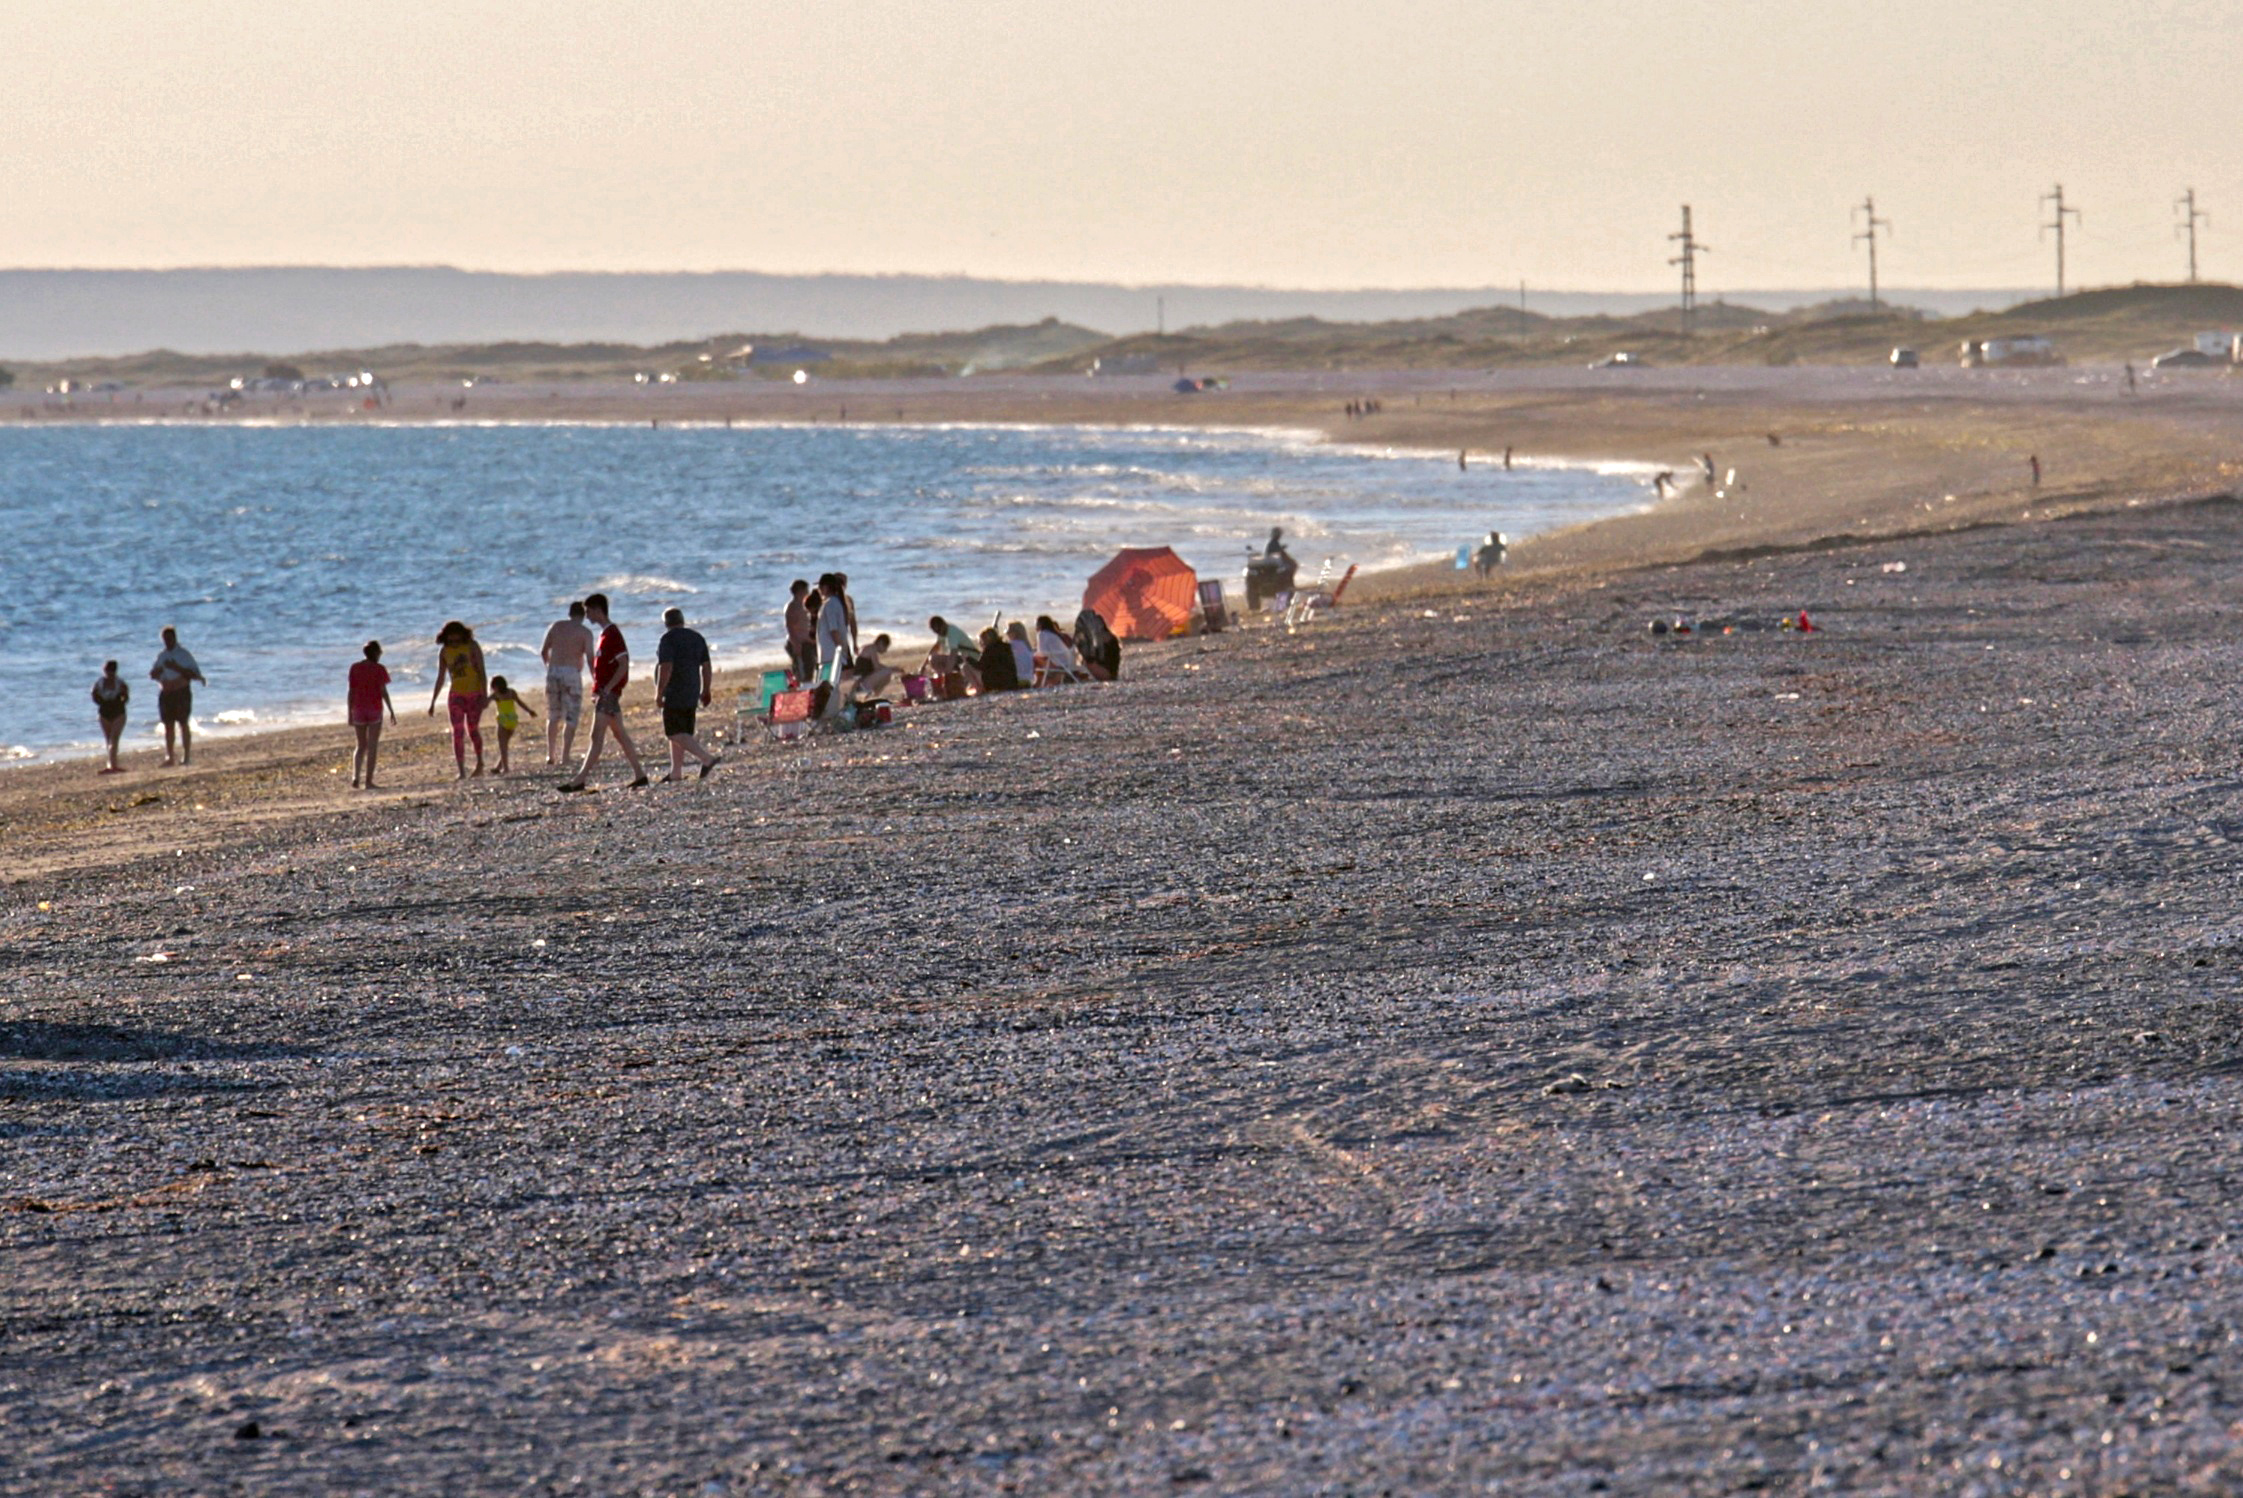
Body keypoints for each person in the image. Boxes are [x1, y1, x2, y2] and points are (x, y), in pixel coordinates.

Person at [561, 593, 649, 791]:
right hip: (605, 693)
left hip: (608, 694)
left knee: (596, 737)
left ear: (598, 610)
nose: (587, 616)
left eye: (589, 611)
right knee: (620, 735)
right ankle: (640, 774)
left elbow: (623, 664)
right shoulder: (603, 635)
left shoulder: (612, 634)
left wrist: (608, 689)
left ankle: (579, 780)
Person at [654, 606, 720, 781]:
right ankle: (676, 772)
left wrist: (659, 692)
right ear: (682, 621)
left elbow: (666, 667)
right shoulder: (696, 638)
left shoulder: (667, 639)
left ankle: (707, 759)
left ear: (666, 623)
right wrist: (706, 689)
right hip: (692, 690)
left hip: (675, 691)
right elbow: (706, 666)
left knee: (673, 733)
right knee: (683, 732)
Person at [426, 620, 489, 779]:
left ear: (463, 636)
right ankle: (461, 771)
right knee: (457, 732)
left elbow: (481, 671)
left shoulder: (472, 646)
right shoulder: (444, 652)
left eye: (457, 640)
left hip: (475, 693)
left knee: (473, 730)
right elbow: (441, 677)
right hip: (456, 695)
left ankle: (480, 763)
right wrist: (433, 701)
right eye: (451, 641)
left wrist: (485, 694)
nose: (454, 643)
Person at [541, 600, 594, 766]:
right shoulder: (585, 632)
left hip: (554, 671)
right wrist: (595, 678)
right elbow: (591, 658)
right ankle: (565, 755)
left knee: (553, 714)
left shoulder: (556, 626)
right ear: (584, 615)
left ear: (569, 613)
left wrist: (549, 666)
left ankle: (550, 754)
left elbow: (544, 651)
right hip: (571, 673)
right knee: (571, 716)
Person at [149, 627, 205, 767]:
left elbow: (195, 674)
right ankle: (170, 757)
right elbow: (152, 674)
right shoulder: (161, 656)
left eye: (169, 638)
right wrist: (157, 672)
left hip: (181, 692)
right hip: (166, 692)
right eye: (164, 639)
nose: (167, 642)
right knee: (168, 725)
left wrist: (176, 667)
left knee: (183, 723)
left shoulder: (183, 654)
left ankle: (186, 756)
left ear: (174, 638)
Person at [347, 641, 396, 789]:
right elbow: (383, 692)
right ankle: (368, 781)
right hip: (374, 709)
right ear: (376, 653)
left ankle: (356, 776)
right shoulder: (379, 669)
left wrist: (349, 712)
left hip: (358, 709)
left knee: (360, 745)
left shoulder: (355, 668)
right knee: (372, 745)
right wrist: (391, 710)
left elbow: (351, 692)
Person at [488, 675, 537, 775]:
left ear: (496, 686)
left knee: (503, 746)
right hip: (512, 720)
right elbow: (520, 703)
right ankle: (498, 766)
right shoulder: (511, 692)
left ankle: (506, 768)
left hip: (503, 721)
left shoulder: (496, 695)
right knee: (505, 745)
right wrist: (529, 711)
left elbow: (484, 703)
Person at [91, 661, 129, 773]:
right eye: (107, 671)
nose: (109, 673)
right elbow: (93, 695)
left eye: (111, 671)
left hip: (118, 712)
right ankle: (112, 764)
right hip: (104, 712)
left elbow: (126, 697)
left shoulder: (120, 683)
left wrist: (119, 702)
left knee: (114, 738)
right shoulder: (99, 683)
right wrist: (101, 702)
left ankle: (113, 765)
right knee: (108, 739)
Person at [815, 572, 852, 684]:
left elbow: (834, 630)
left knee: (832, 684)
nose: (819, 589)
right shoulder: (835, 603)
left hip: (830, 653)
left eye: (820, 587)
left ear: (826, 587)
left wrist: (840, 650)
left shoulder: (830, 604)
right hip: (830, 652)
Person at [1073, 609, 1120, 682]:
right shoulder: (1110, 637)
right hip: (1111, 673)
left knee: (1089, 662)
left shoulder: (1100, 639)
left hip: (1106, 674)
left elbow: (1093, 659)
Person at [1035, 616, 1086, 682]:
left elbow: (1042, 652)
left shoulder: (1042, 634)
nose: (1035, 627)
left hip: (1059, 664)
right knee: (1038, 658)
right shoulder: (1055, 634)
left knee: (1034, 659)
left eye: (1036, 624)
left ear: (1040, 625)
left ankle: (1037, 682)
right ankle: (1047, 681)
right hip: (1067, 662)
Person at [784, 579, 816, 682]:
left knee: (811, 668)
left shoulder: (804, 604)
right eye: (807, 590)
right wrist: (796, 643)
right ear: (801, 591)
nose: (808, 592)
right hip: (799, 643)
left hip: (808, 641)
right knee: (802, 672)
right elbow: (790, 626)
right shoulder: (792, 606)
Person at [977, 626, 1021, 691]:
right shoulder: (1007, 646)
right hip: (1011, 681)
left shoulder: (989, 649)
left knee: (966, 667)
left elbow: (980, 666)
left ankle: (979, 689)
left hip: (995, 684)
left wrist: (967, 658)